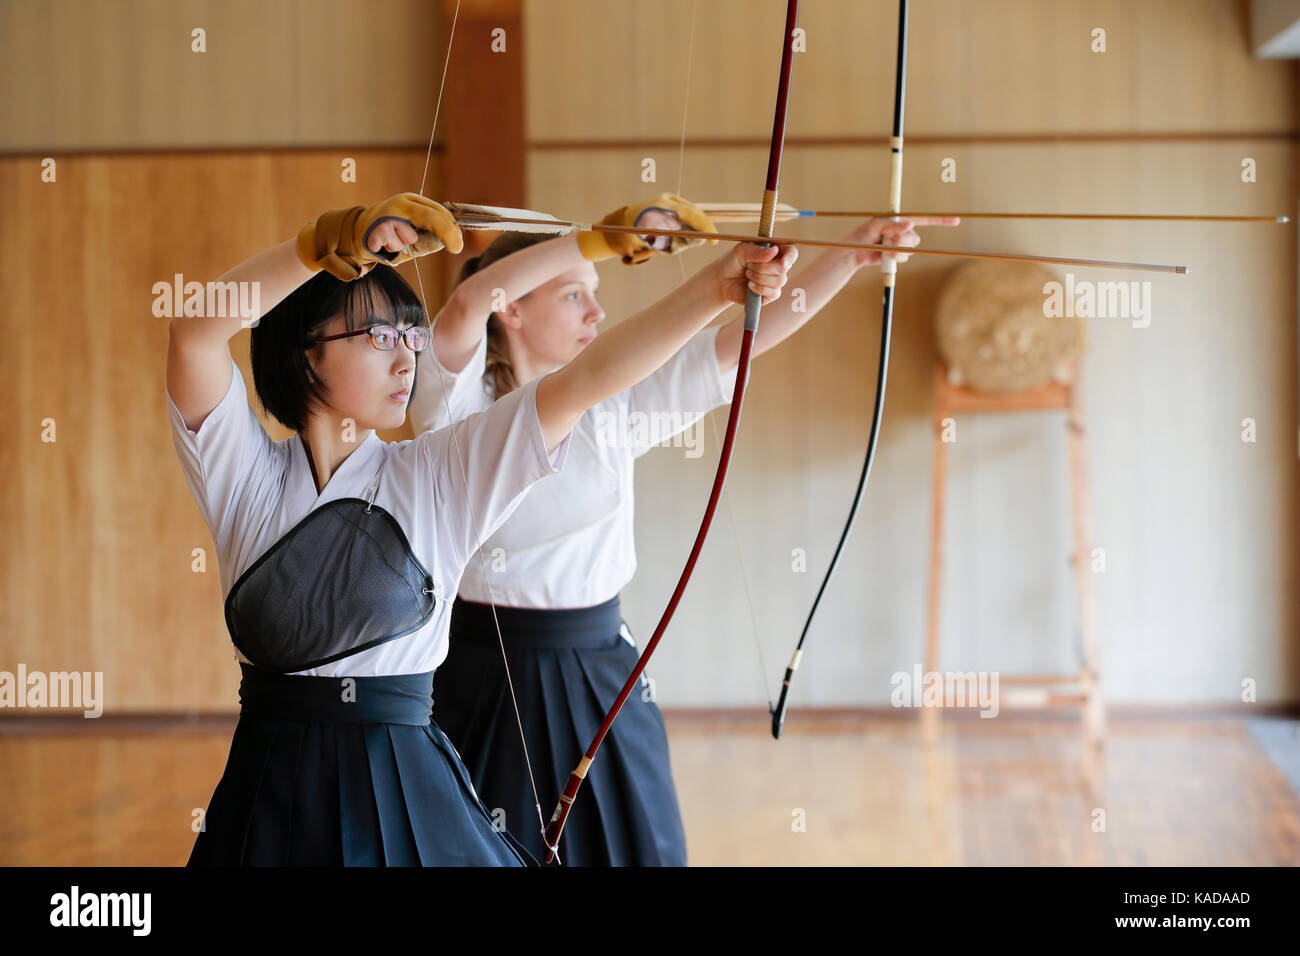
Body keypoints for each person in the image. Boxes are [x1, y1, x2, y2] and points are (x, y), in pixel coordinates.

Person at [165, 191, 795, 865]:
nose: (407, 359)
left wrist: (713, 290)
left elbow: (586, 381)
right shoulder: (242, 475)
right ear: (305, 354)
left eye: (412, 337)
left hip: (401, 783)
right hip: (265, 791)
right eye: (380, 338)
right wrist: (329, 242)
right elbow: (194, 329)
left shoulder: (438, 473)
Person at [410, 192, 952, 865]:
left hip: (597, 664)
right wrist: (602, 239)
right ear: (512, 310)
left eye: (595, 295)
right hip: (479, 668)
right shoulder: (455, 402)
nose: (598, 312)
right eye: (574, 296)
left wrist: (851, 254)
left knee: (637, 844)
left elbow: (739, 342)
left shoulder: (612, 402)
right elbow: (467, 303)